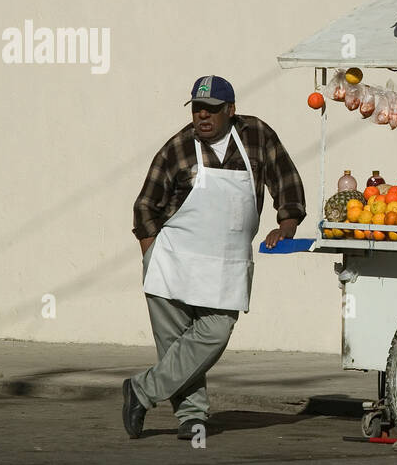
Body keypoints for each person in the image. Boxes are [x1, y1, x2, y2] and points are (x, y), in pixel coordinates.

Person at [123, 75, 306, 439]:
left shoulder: (256, 135)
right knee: (174, 343)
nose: (203, 116)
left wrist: (286, 225)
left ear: (231, 110)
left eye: (212, 109)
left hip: (225, 265)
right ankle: (192, 417)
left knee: (215, 331)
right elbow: (145, 205)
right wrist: (152, 255)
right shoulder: (177, 148)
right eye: (197, 109)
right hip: (172, 261)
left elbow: (286, 178)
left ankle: (141, 391)